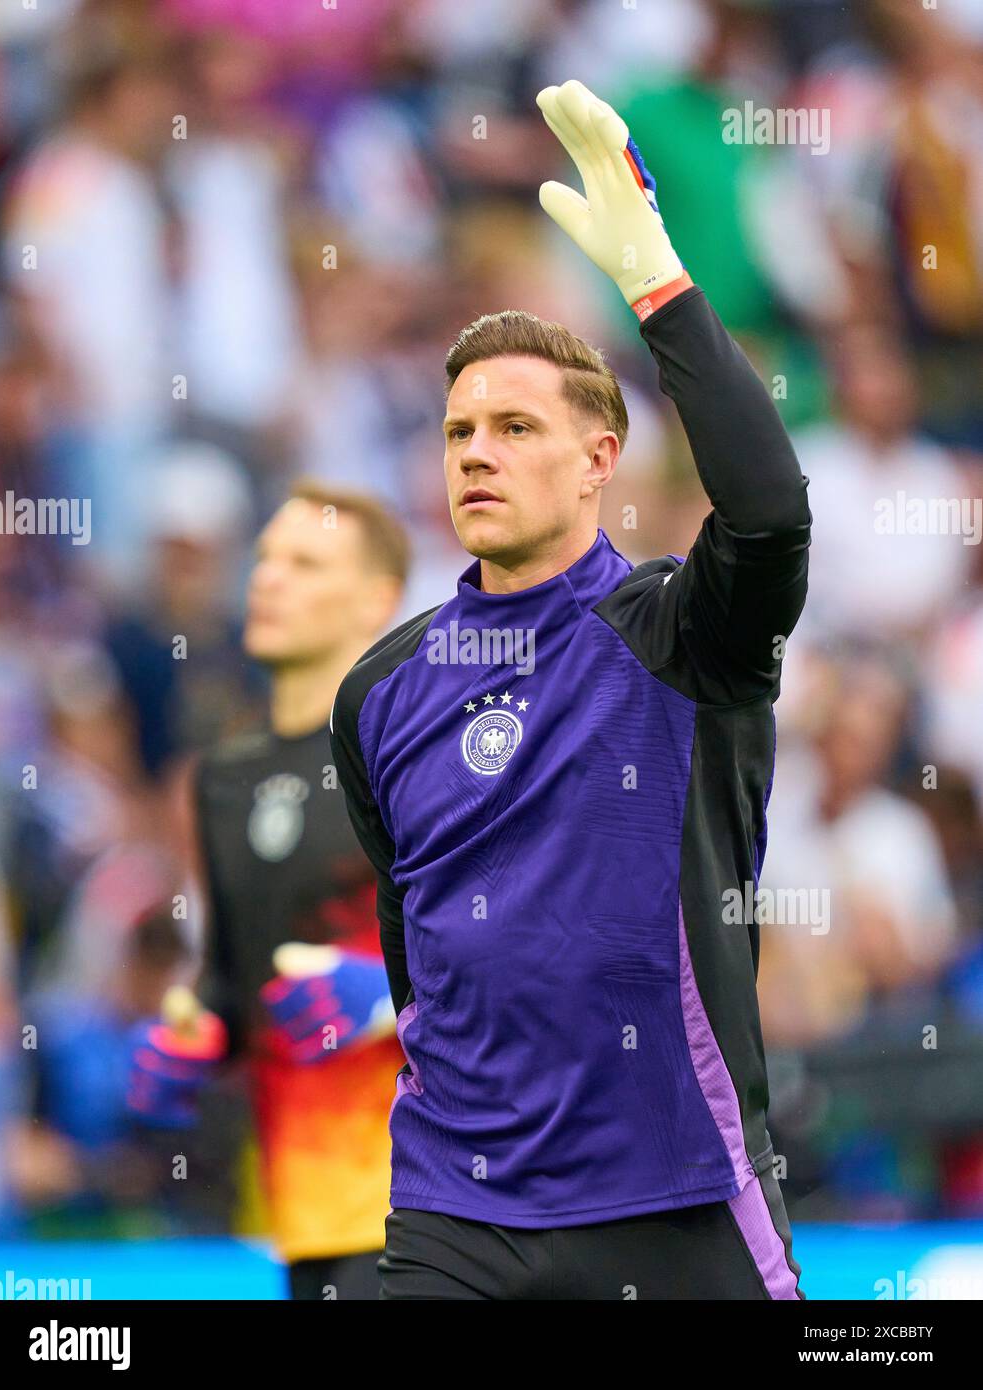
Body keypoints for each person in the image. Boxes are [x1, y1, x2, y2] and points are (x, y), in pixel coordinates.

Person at [330, 80, 810, 1300]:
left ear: (601, 460)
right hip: (455, 1209)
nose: (476, 450)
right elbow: (414, 941)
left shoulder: (678, 632)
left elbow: (765, 509)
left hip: (673, 1193)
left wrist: (656, 282)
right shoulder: (381, 691)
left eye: (513, 427)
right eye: (456, 432)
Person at [129, 482, 410, 1299]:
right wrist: (202, 1035)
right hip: (294, 1209)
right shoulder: (223, 778)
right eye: (265, 560)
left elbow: (504, 941)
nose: (268, 579)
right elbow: (232, 973)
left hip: (427, 1202)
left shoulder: (414, 760)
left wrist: (388, 993)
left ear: (377, 599)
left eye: (304, 562)